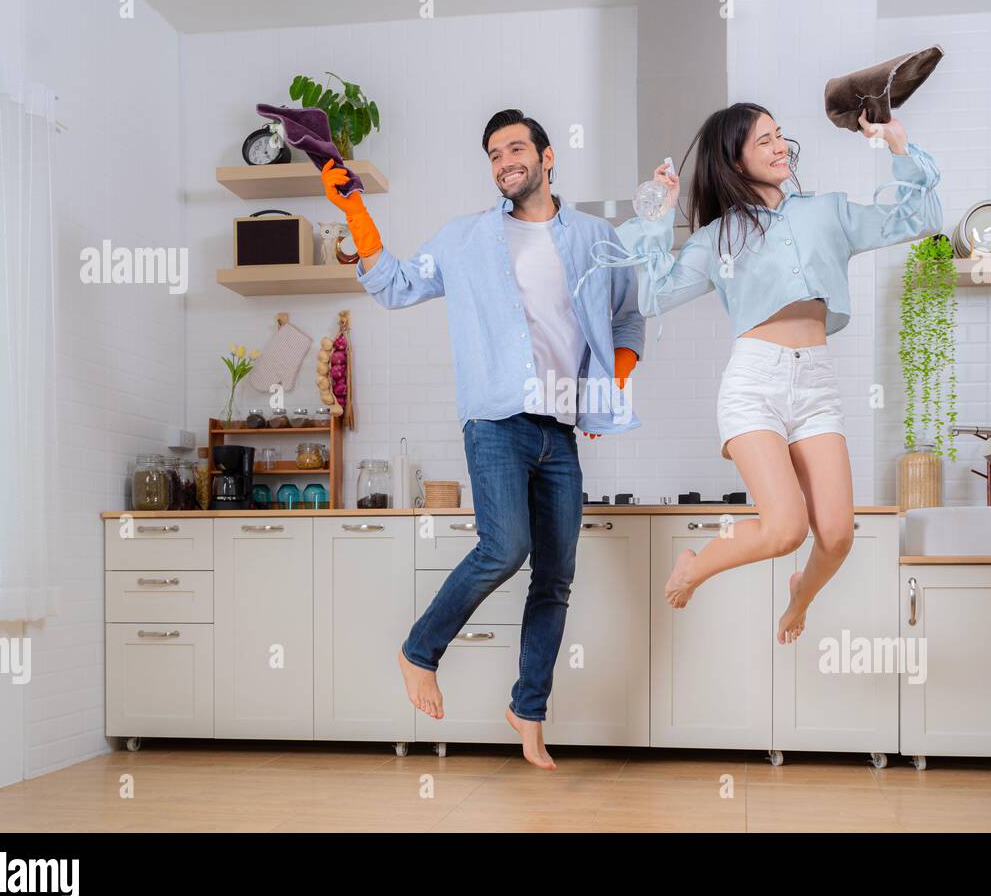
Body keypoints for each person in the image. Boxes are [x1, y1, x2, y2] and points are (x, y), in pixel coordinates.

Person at [321, 109, 644, 770]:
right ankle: (420, 650)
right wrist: (354, 213)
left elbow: (629, 314)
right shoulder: (466, 238)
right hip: (495, 422)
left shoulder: (595, 236)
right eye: (494, 154)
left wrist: (611, 382)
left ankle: (527, 712)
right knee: (506, 547)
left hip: (560, 428)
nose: (504, 163)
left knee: (554, 579)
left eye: (516, 149)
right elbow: (396, 284)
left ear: (547, 156)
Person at [617, 103, 940, 644]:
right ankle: (694, 566)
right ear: (736, 161)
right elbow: (651, 296)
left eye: (780, 136)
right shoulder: (719, 237)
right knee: (786, 528)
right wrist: (655, 218)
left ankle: (801, 595)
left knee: (836, 536)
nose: (779, 147)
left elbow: (919, 218)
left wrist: (897, 146)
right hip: (754, 383)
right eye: (764, 141)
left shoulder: (827, 212)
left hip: (815, 384)